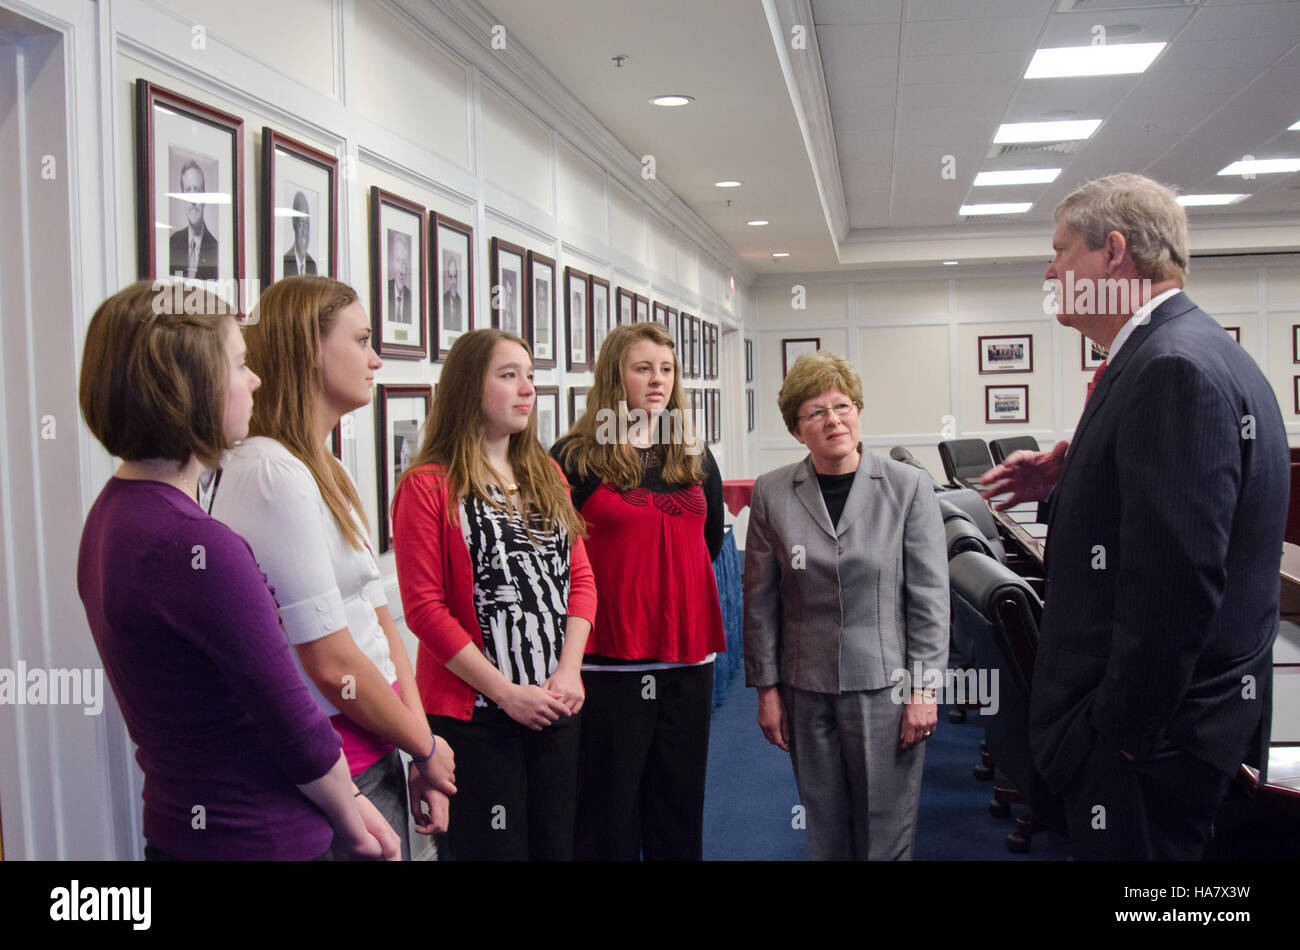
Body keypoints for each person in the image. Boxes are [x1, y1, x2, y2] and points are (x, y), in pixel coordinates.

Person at [980, 173, 1288, 860]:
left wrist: (1116, 737)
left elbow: (1176, 588)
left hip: (1152, 748)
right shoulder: (1180, 352)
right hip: (1172, 736)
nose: (1050, 269)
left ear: (1113, 252)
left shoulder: (1170, 369)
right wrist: (1078, 468)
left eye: (1061, 250)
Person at [76, 279, 399, 860]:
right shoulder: (198, 544)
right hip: (260, 835)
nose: (254, 381)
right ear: (191, 386)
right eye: (240, 365)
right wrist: (354, 820)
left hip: (181, 828)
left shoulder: (108, 516)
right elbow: (294, 724)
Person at [209, 276, 457, 860]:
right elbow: (328, 661)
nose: (375, 359)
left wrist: (418, 746)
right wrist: (422, 746)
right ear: (307, 350)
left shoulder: (321, 467)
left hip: (382, 744)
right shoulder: (271, 472)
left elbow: (380, 623)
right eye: (362, 340)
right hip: (341, 763)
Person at [392, 328, 595, 860]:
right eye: (509, 376)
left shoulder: (546, 472)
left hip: (554, 705)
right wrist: (506, 693)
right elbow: (424, 609)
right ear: (468, 388)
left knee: (556, 846)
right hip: (476, 717)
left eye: (529, 376)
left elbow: (581, 580)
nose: (527, 389)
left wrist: (570, 670)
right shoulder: (428, 485)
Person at [743, 350, 948, 860]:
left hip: (887, 689)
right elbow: (760, 601)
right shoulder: (773, 492)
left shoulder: (907, 488)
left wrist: (925, 688)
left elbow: (928, 597)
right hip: (803, 689)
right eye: (816, 412)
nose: (833, 420)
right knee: (825, 834)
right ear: (797, 430)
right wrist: (766, 689)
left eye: (842, 406)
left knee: (884, 835)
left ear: (858, 410)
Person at [551, 322, 725, 861]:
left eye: (667, 370)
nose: (658, 381)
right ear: (614, 375)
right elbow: (553, 559)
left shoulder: (692, 454)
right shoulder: (575, 456)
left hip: (686, 659)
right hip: (608, 663)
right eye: (643, 368)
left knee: (677, 809)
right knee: (608, 816)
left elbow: (710, 543)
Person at [168, 159, 218, 280]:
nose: (193, 200)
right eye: (188, 190)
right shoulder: (172, 243)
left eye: (197, 189)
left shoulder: (216, 249)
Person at [283, 191, 317, 276]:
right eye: (301, 223)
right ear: (294, 224)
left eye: (307, 224)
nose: (304, 231)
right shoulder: (284, 263)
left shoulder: (312, 265)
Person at [388, 234, 412, 324]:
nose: (401, 271)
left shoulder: (410, 296)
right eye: (398, 261)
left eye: (404, 263)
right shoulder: (385, 291)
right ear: (393, 262)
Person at [442, 251, 462, 331]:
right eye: (450, 277)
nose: (453, 282)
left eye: (455, 276)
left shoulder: (461, 301)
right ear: (447, 278)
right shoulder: (443, 300)